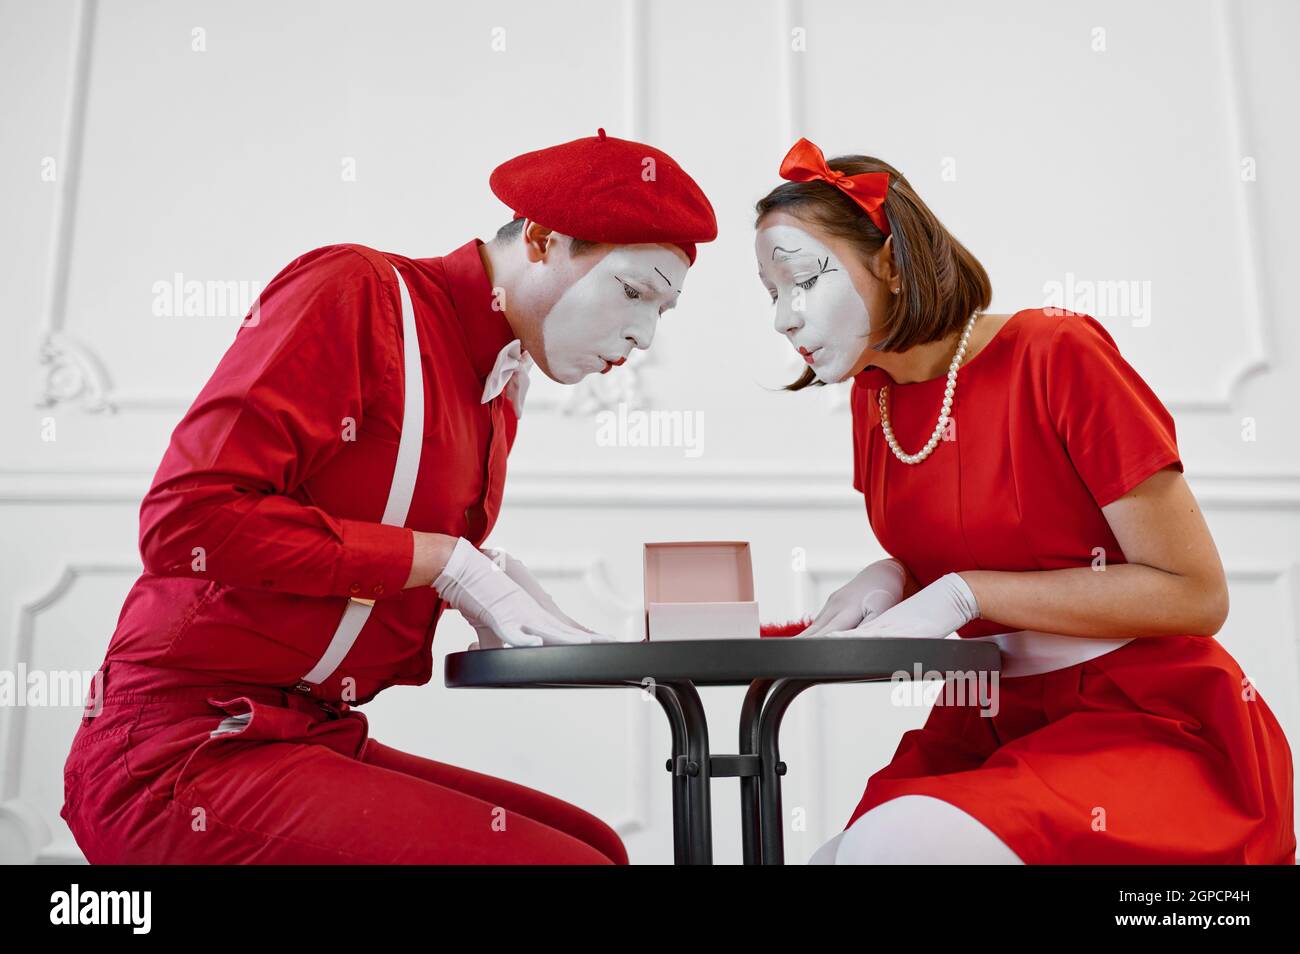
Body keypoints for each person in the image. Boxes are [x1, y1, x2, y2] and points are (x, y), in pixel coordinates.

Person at [60, 129, 717, 864]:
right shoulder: (358, 292)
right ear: (540, 239)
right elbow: (188, 520)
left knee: (597, 845)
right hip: (180, 748)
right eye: (633, 292)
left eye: (665, 310)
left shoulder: (499, 388)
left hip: (310, 733)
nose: (644, 334)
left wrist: (484, 583)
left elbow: (368, 545)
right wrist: (444, 563)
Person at [755, 137, 1295, 864]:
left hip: (1141, 722)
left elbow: (1196, 594)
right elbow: (978, 540)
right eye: (772, 295)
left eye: (803, 282)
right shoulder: (874, 399)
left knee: (895, 848)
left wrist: (967, 595)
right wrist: (895, 576)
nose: (784, 320)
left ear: (888, 260)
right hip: (988, 718)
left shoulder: (1055, 352)